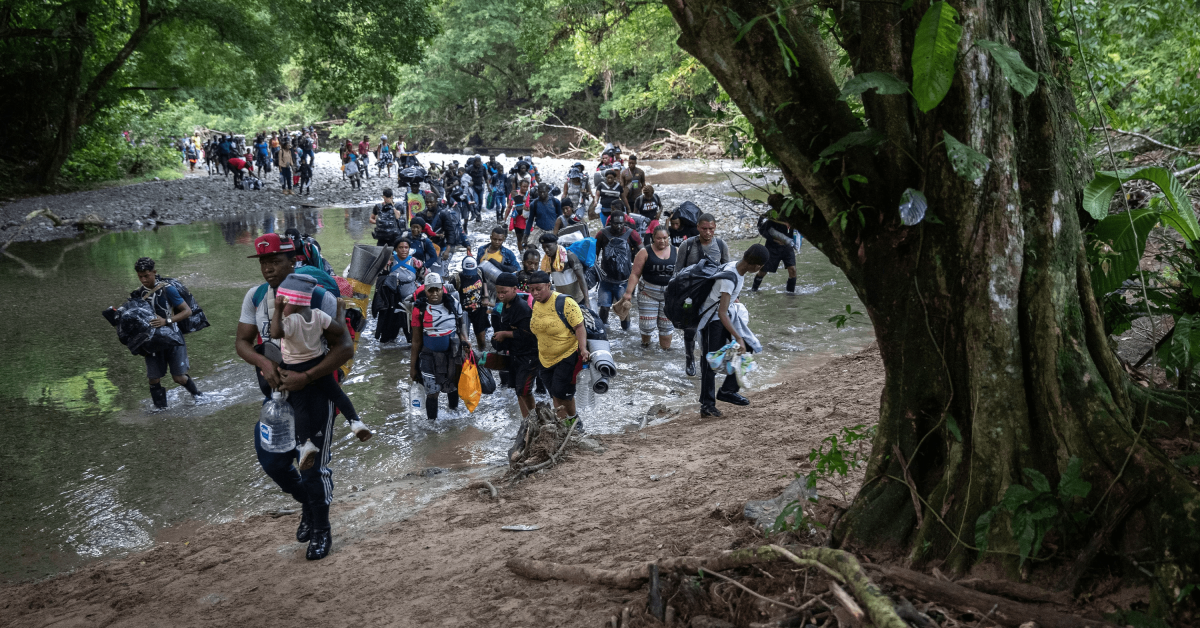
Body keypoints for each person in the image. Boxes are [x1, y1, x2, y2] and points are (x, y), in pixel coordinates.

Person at [234, 234, 353, 561]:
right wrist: (261, 362)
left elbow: (345, 347)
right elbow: (242, 341)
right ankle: (308, 506)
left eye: (275, 261)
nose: (268, 268)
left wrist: (307, 376)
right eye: (263, 262)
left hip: (316, 394)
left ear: (294, 261)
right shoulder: (255, 296)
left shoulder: (318, 298)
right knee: (272, 460)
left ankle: (321, 529)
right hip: (276, 397)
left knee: (312, 467)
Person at [269, 274, 372, 472]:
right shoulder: (318, 315)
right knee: (337, 394)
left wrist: (278, 310)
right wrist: (341, 311)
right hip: (319, 364)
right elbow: (339, 330)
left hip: (295, 369)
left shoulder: (290, 321)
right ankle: (356, 422)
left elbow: (275, 332)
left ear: (290, 301)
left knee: (301, 407)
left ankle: (305, 444)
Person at [697, 245, 768, 417]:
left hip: (722, 316)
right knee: (711, 360)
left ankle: (728, 390)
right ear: (756, 266)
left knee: (747, 347)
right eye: (761, 266)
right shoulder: (730, 278)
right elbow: (721, 312)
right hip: (711, 320)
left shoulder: (736, 269)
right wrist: (738, 337)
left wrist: (740, 338)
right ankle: (707, 404)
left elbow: (725, 302)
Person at [132, 257, 203, 408]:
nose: (143, 280)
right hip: (152, 342)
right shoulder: (138, 294)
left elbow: (187, 311)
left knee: (178, 377)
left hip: (173, 337)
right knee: (153, 378)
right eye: (140, 277)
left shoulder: (167, 289)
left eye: (146, 276)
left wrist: (166, 321)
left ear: (154, 272)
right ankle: (160, 410)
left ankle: (198, 396)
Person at [528, 271, 590, 429]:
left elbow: (579, 326)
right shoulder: (535, 304)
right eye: (531, 289)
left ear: (548, 285)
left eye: (539, 289)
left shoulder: (565, 303)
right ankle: (567, 423)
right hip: (545, 358)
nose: (535, 293)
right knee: (555, 394)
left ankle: (572, 423)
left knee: (561, 392)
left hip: (568, 354)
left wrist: (583, 349)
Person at [674, 212, 729, 376]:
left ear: (715, 227)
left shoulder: (721, 245)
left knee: (712, 330)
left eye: (711, 229)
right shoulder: (687, 245)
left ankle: (707, 362)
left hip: (714, 296)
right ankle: (689, 358)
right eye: (704, 228)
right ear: (698, 227)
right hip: (691, 295)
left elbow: (728, 271)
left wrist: (733, 296)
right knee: (690, 329)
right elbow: (677, 271)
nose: (708, 232)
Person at [409, 273, 471, 421]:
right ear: (426, 291)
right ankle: (432, 425)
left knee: (453, 387)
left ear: (443, 288)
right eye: (431, 290)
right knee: (432, 392)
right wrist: (412, 367)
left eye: (438, 289)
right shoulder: (419, 309)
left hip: (452, 353)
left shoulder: (453, 303)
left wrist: (466, 343)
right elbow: (416, 341)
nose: (435, 293)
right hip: (428, 355)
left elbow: (462, 326)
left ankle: (454, 417)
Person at [619, 225, 676, 349]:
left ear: (669, 238)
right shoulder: (644, 252)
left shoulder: (676, 251)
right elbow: (635, 274)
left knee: (666, 327)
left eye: (665, 238)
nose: (662, 241)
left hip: (669, 295)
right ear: (653, 238)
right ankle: (646, 349)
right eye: (659, 238)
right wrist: (628, 293)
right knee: (647, 326)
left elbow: (683, 275)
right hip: (648, 293)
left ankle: (664, 356)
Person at [491, 272, 537, 418]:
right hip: (515, 355)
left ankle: (533, 420)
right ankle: (527, 420)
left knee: (524, 390)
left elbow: (529, 335)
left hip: (528, 356)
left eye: (504, 292)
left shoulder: (522, 309)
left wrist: (504, 334)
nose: (501, 295)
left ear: (514, 289)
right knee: (519, 390)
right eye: (498, 292)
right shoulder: (506, 305)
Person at [594, 210, 643, 329]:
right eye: (616, 223)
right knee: (604, 307)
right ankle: (602, 331)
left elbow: (643, 252)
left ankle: (626, 333)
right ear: (610, 223)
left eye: (622, 223)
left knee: (624, 309)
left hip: (624, 281)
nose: (619, 226)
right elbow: (593, 254)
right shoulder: (602, 234)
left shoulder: (632, 234)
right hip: (606, 280)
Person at [449, 257, 492, 351]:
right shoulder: (456, 279)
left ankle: (482, 357)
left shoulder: (480, 272)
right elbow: (450, 297)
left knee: (481, 337)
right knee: (465, 339)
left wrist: (486, 296)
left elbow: (484, 282)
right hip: (464, 312)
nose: (470, 276)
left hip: (479, 309)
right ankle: (466, 359)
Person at [539, 233, 590, 309]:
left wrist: (587, 301)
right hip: (562, 300)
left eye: (548, 247)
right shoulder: (546, 261)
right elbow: (546, 281)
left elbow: (581, 278)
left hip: (578, 299)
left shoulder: (569, 256)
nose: (546, 250)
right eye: (544, 248)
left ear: (556, 243)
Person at [753, 215, 800, 293]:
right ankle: (754, 290)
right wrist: (773, 240)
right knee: (763, 271)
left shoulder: (794, 215)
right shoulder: (773, 215)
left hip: (787, 247)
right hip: (772, 247)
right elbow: (761, 229)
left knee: (792, 270)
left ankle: (790, 295)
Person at [505, 177, 533, 251]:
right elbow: (509, 207)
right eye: (523, 187)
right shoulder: (514, 194)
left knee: (526, 237)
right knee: (519, 237)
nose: (525, 188)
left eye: (527, 187)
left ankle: (526, 251)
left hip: (526, 219)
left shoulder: (530, 195)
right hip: (517, 219)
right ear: (520, 186)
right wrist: (504, 218)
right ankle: (521, 253)